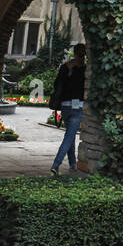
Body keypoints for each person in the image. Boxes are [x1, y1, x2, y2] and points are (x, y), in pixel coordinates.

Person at [49, 43, 87, 175]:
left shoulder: (65, 67)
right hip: (78, 106)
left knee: (69, 135)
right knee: (69, 137)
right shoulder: (85, 69)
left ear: (74, 53)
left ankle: (72, 164)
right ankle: (56, 164)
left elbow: (57, 84)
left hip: (65, 106)